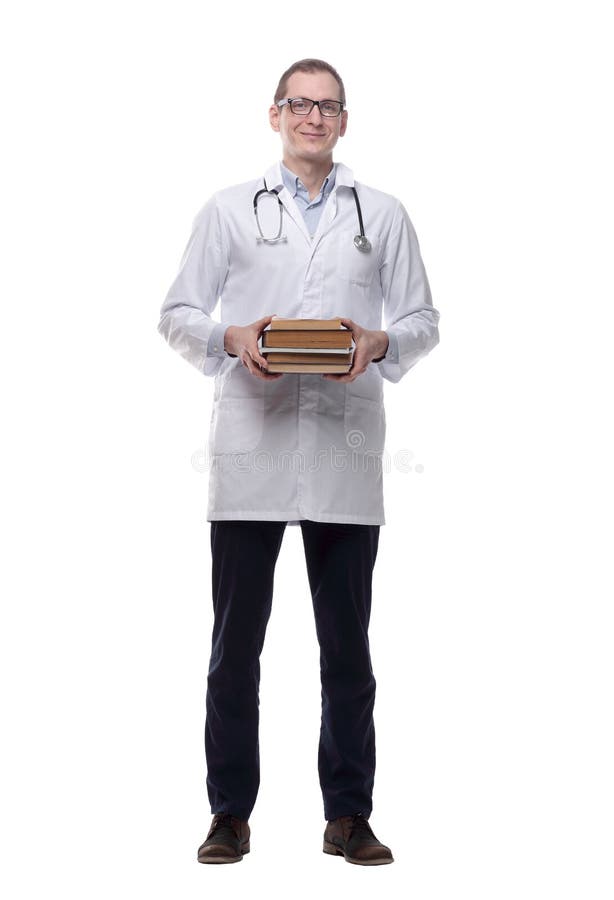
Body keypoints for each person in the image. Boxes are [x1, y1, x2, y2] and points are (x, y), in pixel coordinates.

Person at [157, 58, 440, 866]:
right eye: (300, 104)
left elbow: (423, 319)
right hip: (253, 444)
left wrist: (381, 342)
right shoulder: (229, 210)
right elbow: (177, 312)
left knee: (347, 650)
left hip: (343, 449)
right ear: (275, 114)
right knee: (234, 650)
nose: (315, 117)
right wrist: (232, 337)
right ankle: (228, 814)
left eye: (329, 107)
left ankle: (348, 814)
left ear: (344, 121)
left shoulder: (381, 214)